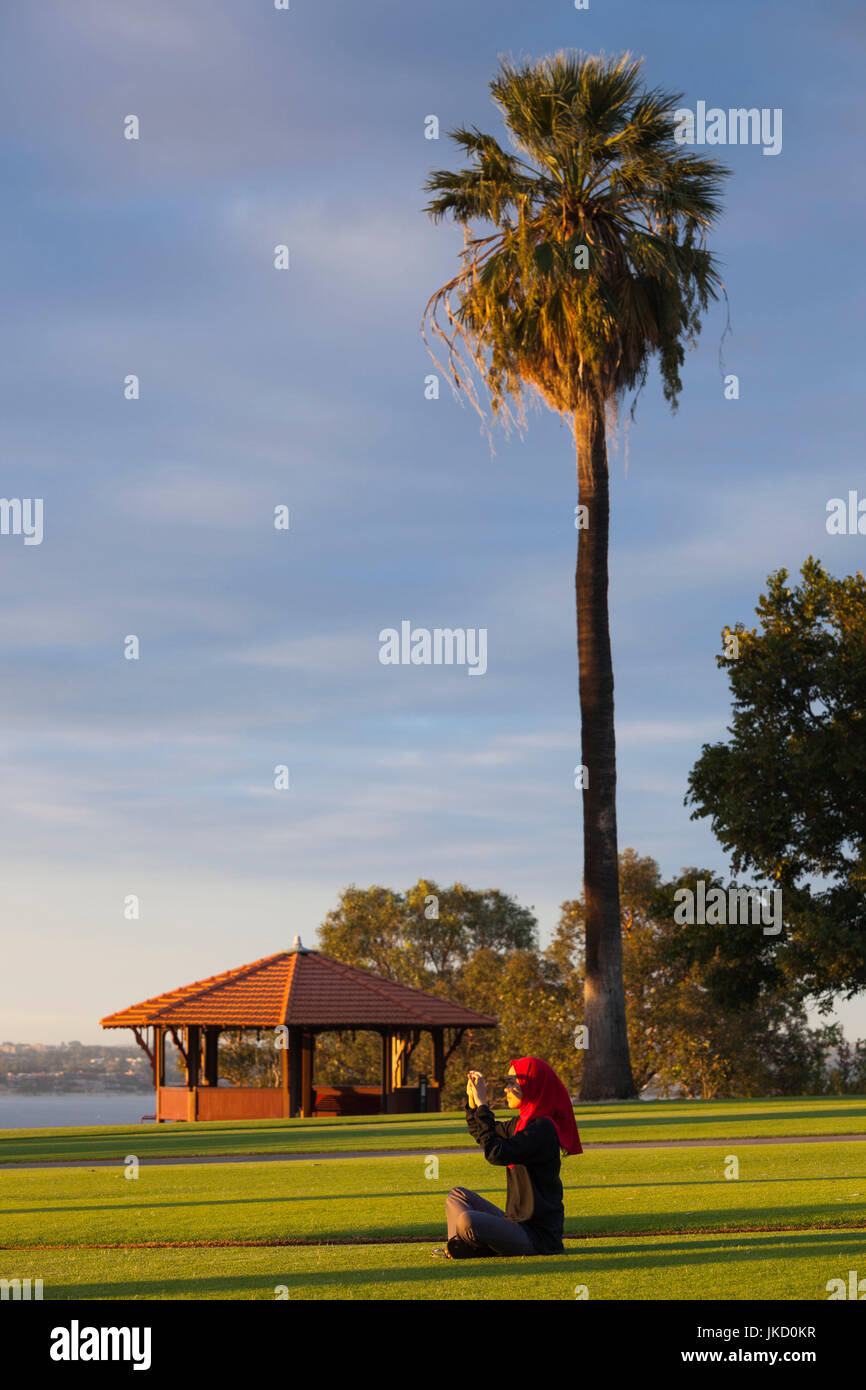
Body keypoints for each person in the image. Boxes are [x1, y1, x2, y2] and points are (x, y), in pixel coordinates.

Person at [433, 1055, 582, 1260]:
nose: (506, 1089)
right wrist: (473, 1104)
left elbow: (495, 1153)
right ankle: (461, 1247)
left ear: (531, 1085)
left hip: (537, 1238)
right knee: (457, 1196)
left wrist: (484, 1105)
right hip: (514, 1224)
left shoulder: (543, 1128)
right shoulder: (521, 1124)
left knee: (467, 1221)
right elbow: (484, 1135)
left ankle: (465, 1247)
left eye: (512, 1083)